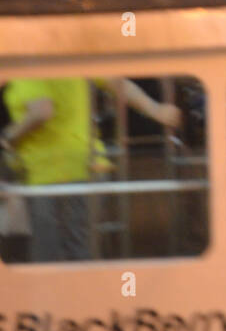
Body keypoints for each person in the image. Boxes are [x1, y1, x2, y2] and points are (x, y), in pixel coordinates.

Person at [1, 77, 181, 263]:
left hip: (53, 174)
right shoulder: (71, 59)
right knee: (79, 249)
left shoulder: (29, 69)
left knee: (49, 258)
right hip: (89, 165)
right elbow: (117, 81)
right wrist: (155, 109)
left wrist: (7, 138)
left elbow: (41, 111)